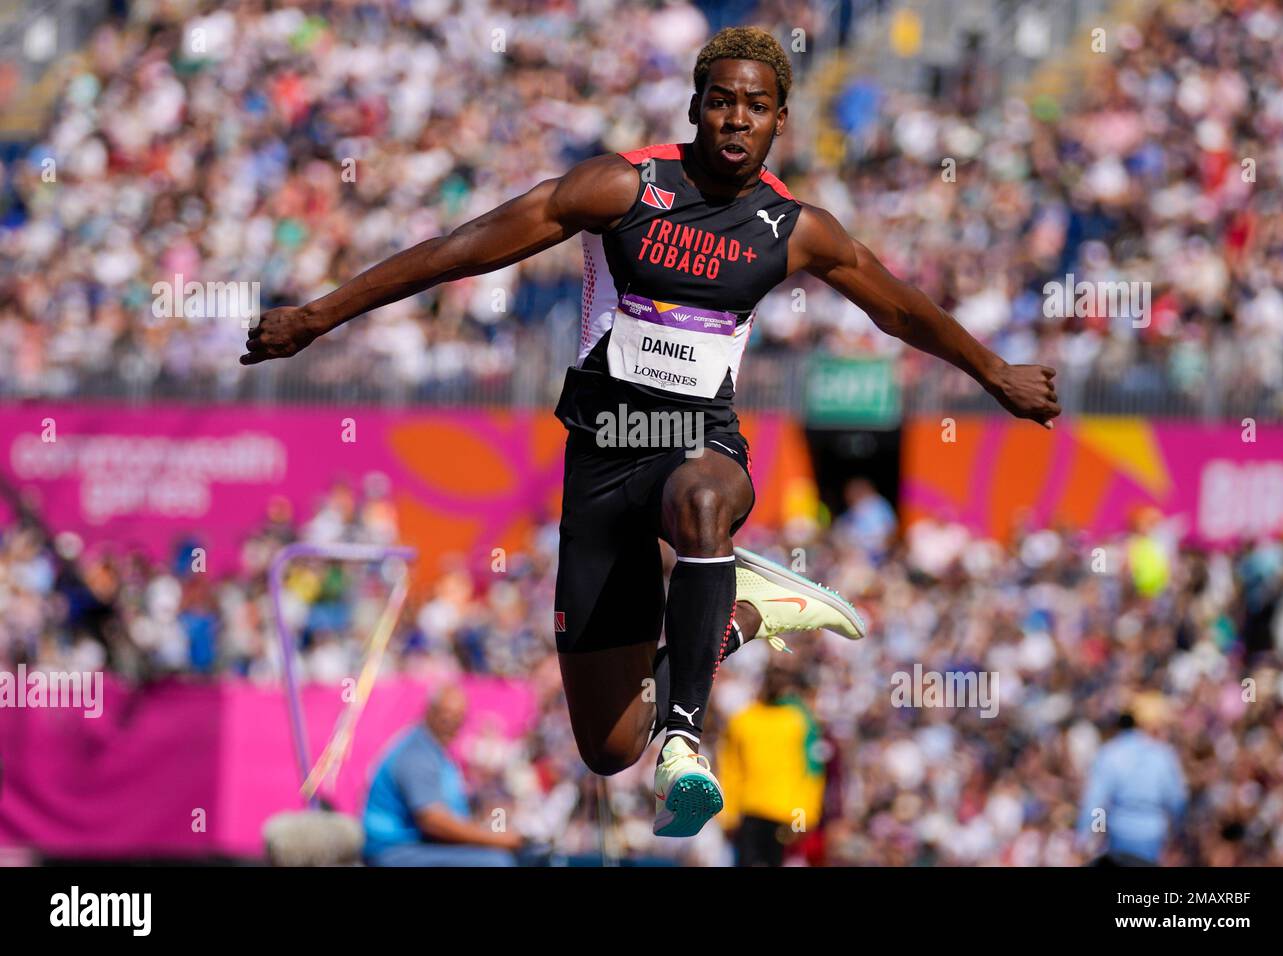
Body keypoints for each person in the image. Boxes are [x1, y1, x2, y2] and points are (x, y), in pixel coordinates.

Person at [242, 27, 1060, 838]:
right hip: (601, 460)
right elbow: (463, 251)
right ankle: (742, 614)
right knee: (607, 748)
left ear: (781, 121)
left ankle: (686, 741)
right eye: (722, 101)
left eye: (758, 106)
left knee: (706, 504)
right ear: (697, 107)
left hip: (696, 440)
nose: (737, 119)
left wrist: (996, 373)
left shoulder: (794, 228)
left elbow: (900, 307)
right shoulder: (622, 188)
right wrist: (319, 317)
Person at [361, 683, 525, 866]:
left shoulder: (435, 751)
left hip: (419, 845)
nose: (451, 723)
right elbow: (432, 821)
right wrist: (497, 840)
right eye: (445, 715)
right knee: (496, 861)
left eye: (458, 718)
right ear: (429, 712)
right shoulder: (416, 754)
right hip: (394, 850)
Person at [717, 661, 826, 866]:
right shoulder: (744, 720)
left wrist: (804, 817)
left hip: (781, 813)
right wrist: (727, 813)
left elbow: (811, 772)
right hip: (753, 811)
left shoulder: (799, 722)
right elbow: (729, 768)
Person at [1076, 707, 1188, 865]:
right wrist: (1177, 832)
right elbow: (1177, 800)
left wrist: (1091, 836)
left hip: (1120, 835)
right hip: (1153, 834)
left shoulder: (1109, 753)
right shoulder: (1161, 753)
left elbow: (1096, 803)